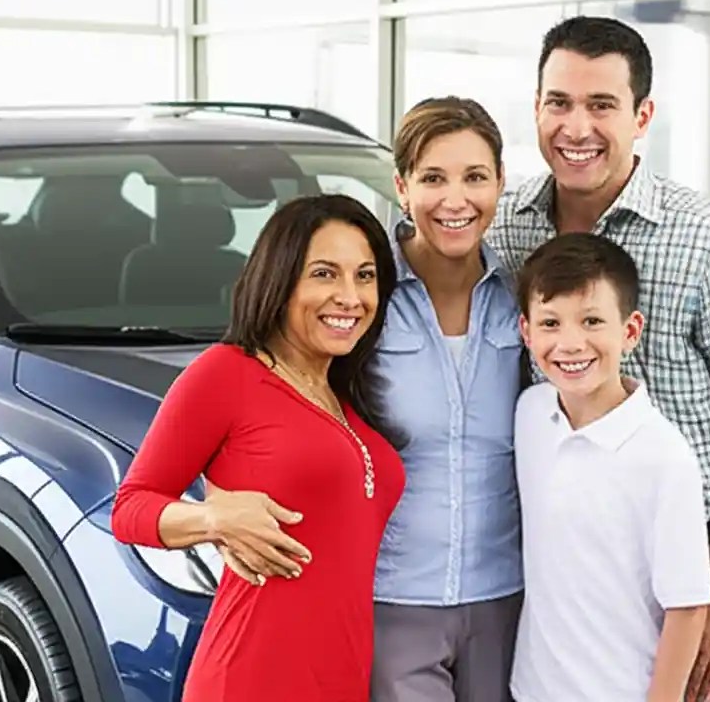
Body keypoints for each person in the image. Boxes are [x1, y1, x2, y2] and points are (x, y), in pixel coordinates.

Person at [485, 15, 710, 702]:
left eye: (602, 105)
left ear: (643, 115)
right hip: (568, 585)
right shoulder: (505, 227)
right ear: (537, 106)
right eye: (559, 103)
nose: (577, 128)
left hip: (706, 570)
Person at [109, 193, 405, 702]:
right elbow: (130, 507)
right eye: (324, 274)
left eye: (366, 275)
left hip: (340, 679)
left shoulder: (345, 394)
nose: (351, 296)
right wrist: (214, 520)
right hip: (251, 677)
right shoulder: (226, 373)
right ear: (280, 280)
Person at [367, 95, 526, 702]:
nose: (455, 200)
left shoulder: (524, 298)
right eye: (433, 178)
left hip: (507, 597)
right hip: (393, 599)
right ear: (402, 188)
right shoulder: (365, 297)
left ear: (500, 184)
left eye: (475, 177)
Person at [510, 231, 710, 702]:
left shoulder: (664, 457)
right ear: (527, 332)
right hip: (531, 690)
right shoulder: (530, 411)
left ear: (630, 330)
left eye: (592, 320)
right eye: (551, 323)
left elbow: (687, 605)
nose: (571, 343)